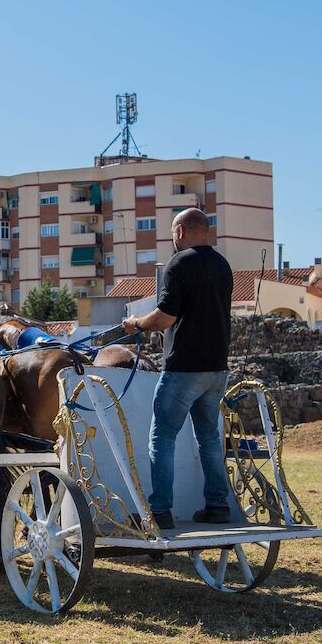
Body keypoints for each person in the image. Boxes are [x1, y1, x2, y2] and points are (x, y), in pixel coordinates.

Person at [122, 208, 233, 530]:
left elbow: (166, 317)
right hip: (216, 368)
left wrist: (137, 324)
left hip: (184, 367)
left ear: (181, 231)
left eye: (172, 232)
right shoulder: (222, 265)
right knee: (209, 439)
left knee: (162, 439)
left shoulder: (180, 263)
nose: (172, 238)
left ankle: (159, 511)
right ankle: (217, 504)